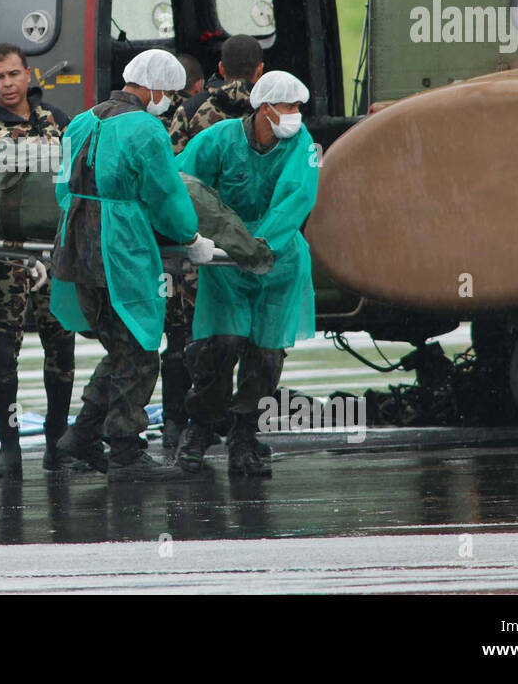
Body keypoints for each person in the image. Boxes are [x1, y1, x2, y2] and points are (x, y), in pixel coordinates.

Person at [49, 49, 215, 482]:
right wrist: (190, 237)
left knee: (121, 348)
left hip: (75, 246)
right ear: (155, 87)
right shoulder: (145, 129)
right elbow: (165, 196)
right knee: (141, 351)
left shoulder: (82, 121)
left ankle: (81, 436)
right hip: (120, 249)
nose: (172, 103)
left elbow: (61, 188)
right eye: (171, 94)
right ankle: (124, 449)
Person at [176, 70, 318, 477]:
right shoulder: (218, 140)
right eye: (288, 107)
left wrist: (261, 245)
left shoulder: (301, 145)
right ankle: (199, 428)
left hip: (279, 259)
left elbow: (298, 197)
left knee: (267, 354)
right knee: (221, 345)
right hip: (225, 261)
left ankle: (244, 434)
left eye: (298, 107)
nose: (295, 115)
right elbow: (182, 182)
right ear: (265, 108)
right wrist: (194, 235)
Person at [160, 33, 265, 460]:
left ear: (219, 71)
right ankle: (241, 430)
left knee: (193, 338)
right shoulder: (271, 111)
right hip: (253, 242)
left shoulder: (189, 109)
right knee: (257, 338)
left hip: (200, 245)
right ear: (260, 70)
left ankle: (186, 428)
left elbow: (174, 180)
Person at [0, 44, 78, 478]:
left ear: (28, 73)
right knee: (3, 354)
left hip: (55, 253)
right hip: (5, 255)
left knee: (61, 348)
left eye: (13, 74)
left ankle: (58, 443)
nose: (7, 85)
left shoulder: (57, 119)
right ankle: (10, 449)